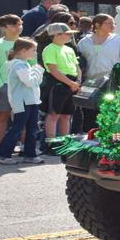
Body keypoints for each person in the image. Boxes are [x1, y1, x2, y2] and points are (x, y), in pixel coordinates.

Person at [0, 39, 44, 165]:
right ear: (23, 51)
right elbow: (30, 81)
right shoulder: (18, 65)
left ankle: (30, 154)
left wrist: (36, 72)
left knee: (32, 128)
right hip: (22, 102)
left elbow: (35, 82)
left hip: (31, 100)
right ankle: (1, 153)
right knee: (17, 128)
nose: (35, 53)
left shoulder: (24, 63)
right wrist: (38, 71)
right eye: (33, 50)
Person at [38, 23, 81, 153]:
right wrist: (71, 83)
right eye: (67, 33)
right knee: (53, 115)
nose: (70, 36)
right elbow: (53, 70)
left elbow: (77, 67)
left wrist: (78, 81)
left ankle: (64, 143)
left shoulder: (69, 49)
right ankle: (51, 145)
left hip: (71, 84)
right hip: (57, 84)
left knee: (66, 116)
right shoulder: (50, 49)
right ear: (56, 35)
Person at [0, 14, 23, 149]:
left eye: (19, 24)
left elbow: (32, 63)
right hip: (5, 85)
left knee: (23, 117)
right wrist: (0, 85)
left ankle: (25, 146)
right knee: (2, 116)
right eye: (14, 25)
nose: (18, 27)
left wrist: (32, 82)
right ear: (4, 28)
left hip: (24, 86)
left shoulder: (25, 42)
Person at [77, 13, 120, 82]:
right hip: (89, 82)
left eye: (114, 24)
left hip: (112, 81)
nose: (113, 26)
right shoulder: (84, 42)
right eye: (109, 23)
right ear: (97, 24)